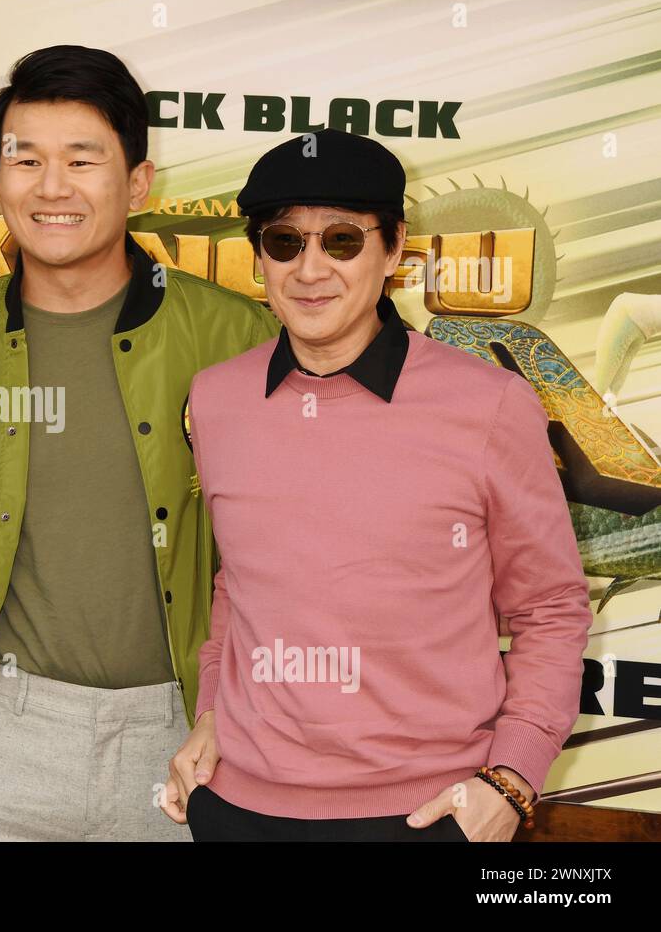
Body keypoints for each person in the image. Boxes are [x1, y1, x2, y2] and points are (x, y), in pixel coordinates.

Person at [0, 45, 278, 842]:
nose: (52, 185)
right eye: (24, 159)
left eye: (82, 158)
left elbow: (301, 554)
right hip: (1, 729)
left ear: (138, 182)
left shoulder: (235, 337)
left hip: (190, 731)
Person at [163, 127, 592, 841]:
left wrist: (511, 779)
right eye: (283, 241)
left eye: (341, 241)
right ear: (259, 256)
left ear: (393, 250)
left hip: (425, 817)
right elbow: (238, 584)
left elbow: (550, 607)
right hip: (237, 807)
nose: (309, 269)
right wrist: (212, 709)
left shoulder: (489, 405)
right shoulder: (215, 400)